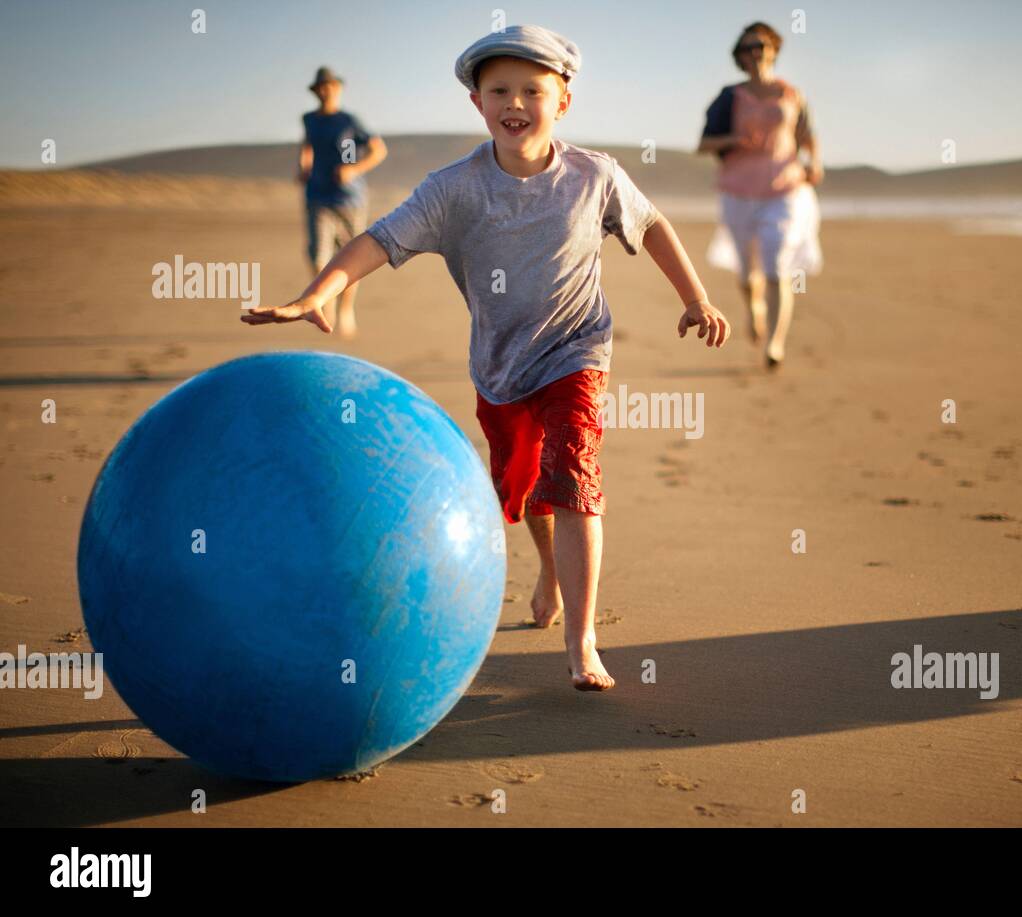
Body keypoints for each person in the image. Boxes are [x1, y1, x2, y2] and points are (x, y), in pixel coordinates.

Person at [244, 25, 730, 692]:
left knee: (576, 480)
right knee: (524, 488)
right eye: (499, 88)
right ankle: (550, 567)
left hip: (577, 351)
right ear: (477, 103)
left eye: (534, 89)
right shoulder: (453, 190)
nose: (516, 101)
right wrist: (319, 290)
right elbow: (378, 240)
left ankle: (582, 640)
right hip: (500, 369)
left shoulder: (595, 176)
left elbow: (651, 228)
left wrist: (696, 297)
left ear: (563, 100)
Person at [698, 22, 823, 370]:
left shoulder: (791, 94)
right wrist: (733, 139)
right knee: (745, 268)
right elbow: (703, 143)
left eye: (762, 46)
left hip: (784, 187)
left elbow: (807, 135)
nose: (756, 53)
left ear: (773, 52)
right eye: (749, 48)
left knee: (776, 261)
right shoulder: (729, 97)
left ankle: (775, 343)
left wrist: (815, 163)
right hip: (738, 190)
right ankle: (754, 308)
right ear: (739, 56)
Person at [299, 66, 387, 339]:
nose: (326, 91)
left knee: (351, 256)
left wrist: (353, 169)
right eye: (321, 87)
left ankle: (346, 308)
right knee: (317, 255)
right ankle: (325, 301)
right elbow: (307, 145)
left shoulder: (349, 121)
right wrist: (304, 165)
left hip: (349, 197)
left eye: (331, 86)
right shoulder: (309, 119)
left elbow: (378, 149)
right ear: (316, 92)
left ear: (338, 88)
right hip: (317, 194)